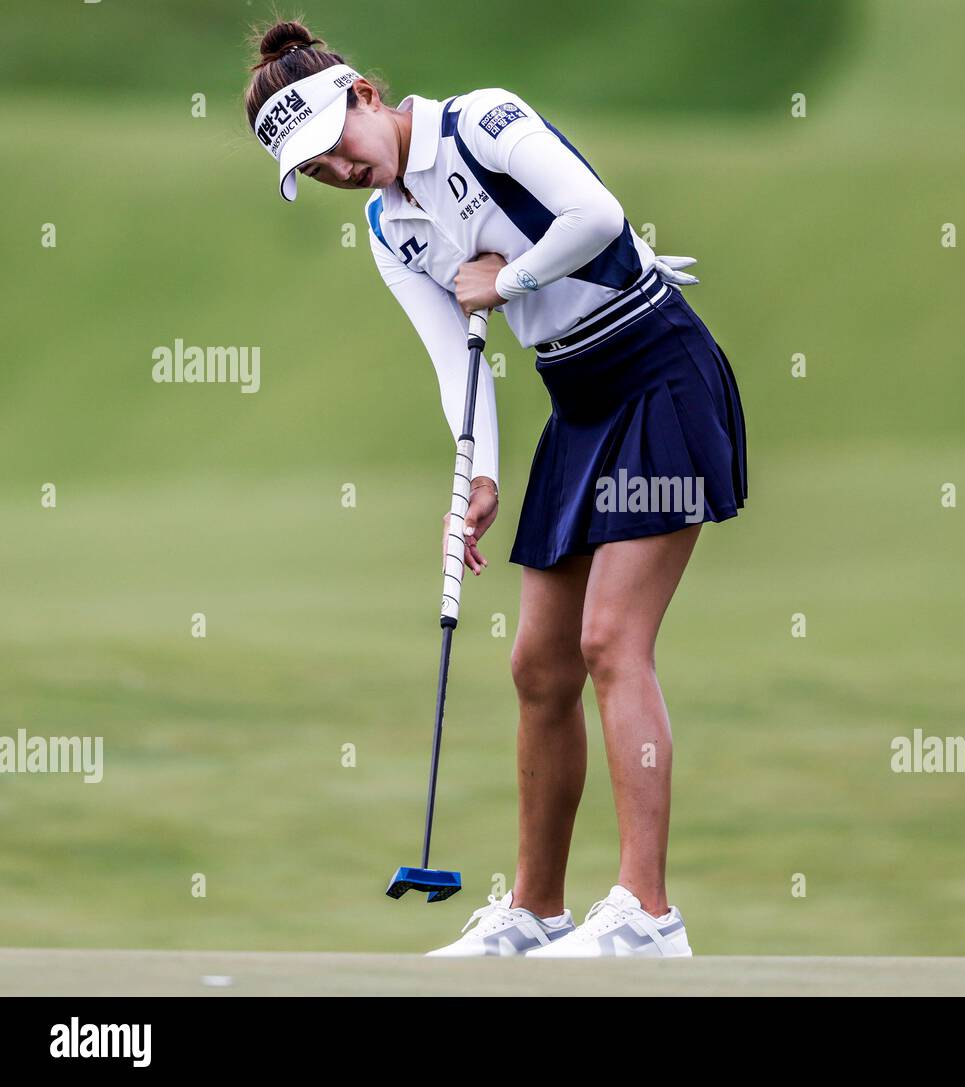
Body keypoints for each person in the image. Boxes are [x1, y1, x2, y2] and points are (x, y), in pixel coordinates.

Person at [244, 20, 747, 957]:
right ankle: (536, 909)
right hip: (578, 403)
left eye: (335, 145)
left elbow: (597, 215)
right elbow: (456, 361)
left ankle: (648, 912)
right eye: (313, 170)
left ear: (364, 96)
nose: (338, 171)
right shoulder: (390, 229)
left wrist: (509, 278)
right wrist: (475, 473)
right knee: (538, 666)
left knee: (609, 639)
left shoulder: (481, 121)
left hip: (657, 371)